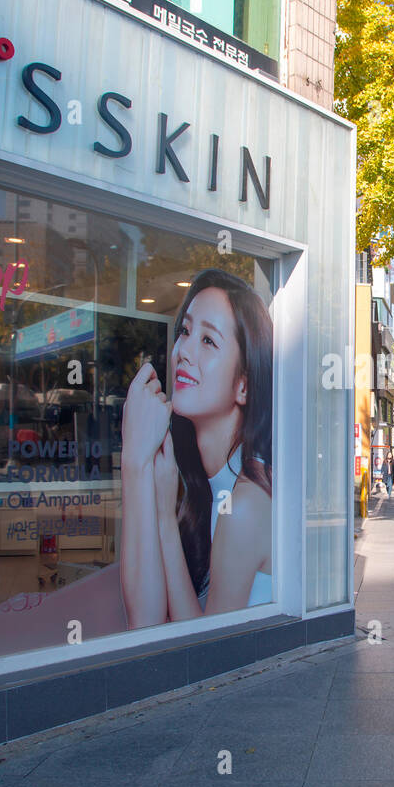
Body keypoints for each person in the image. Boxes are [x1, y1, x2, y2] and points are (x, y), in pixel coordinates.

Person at [119, 268, 273, 629]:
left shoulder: (246, 503)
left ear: (244, 386)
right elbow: (154, 620)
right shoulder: (198, 480)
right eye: (185, 331)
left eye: (208, 341)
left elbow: (200, 649)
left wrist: (135, 463)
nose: (183, 351)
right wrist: (139, 467)